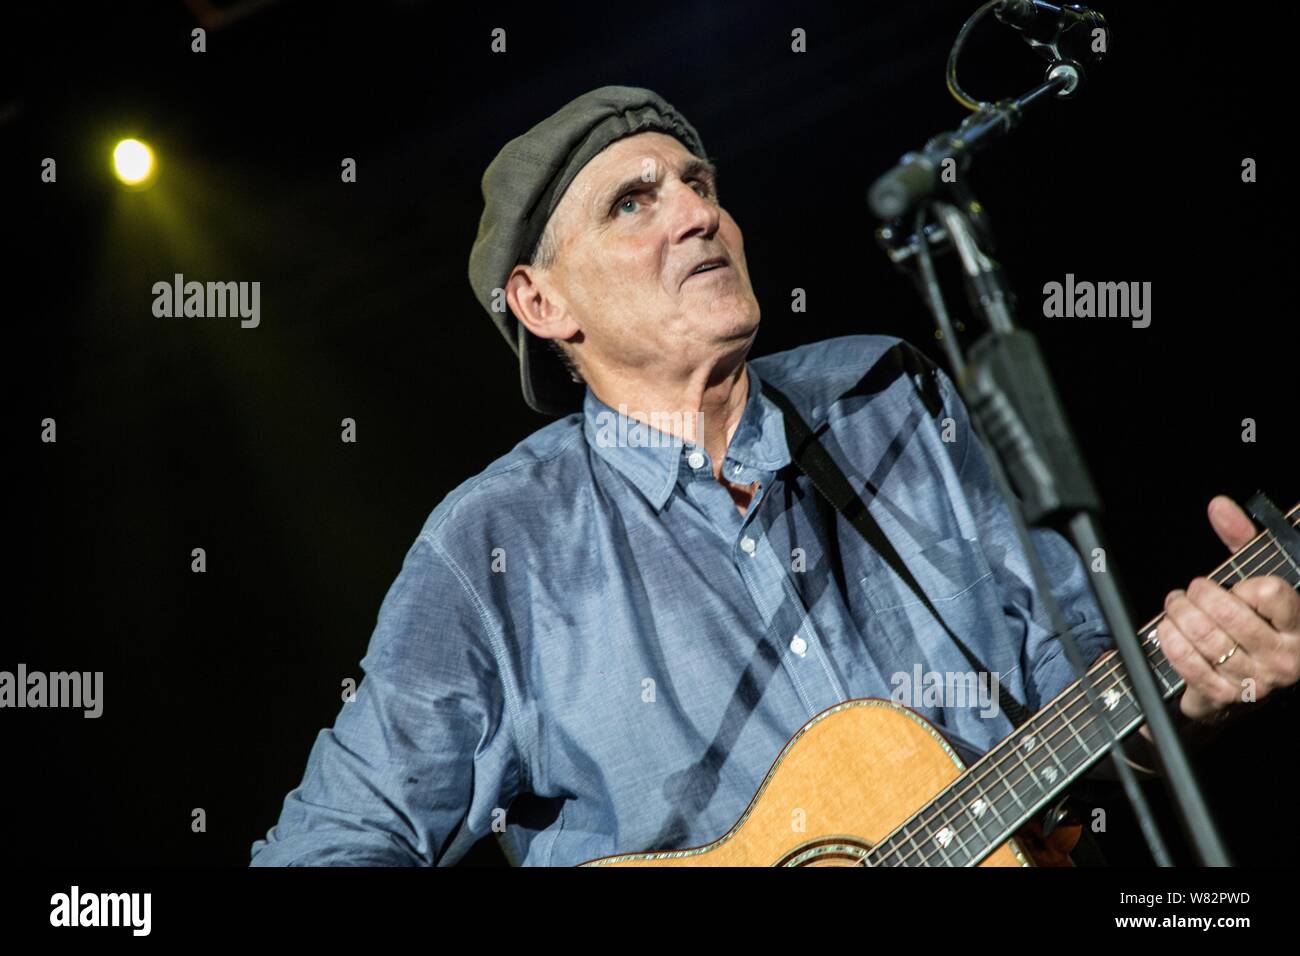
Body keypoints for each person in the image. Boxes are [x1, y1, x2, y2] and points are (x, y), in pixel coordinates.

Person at [249, 85, 1300, 867]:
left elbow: (1081, 703)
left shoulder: (887, 398)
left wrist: (1197, 688)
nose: (696, 214)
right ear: (540, 305)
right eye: (633, 202)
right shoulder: (497, 542)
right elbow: (326, 849)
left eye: (700, 185)